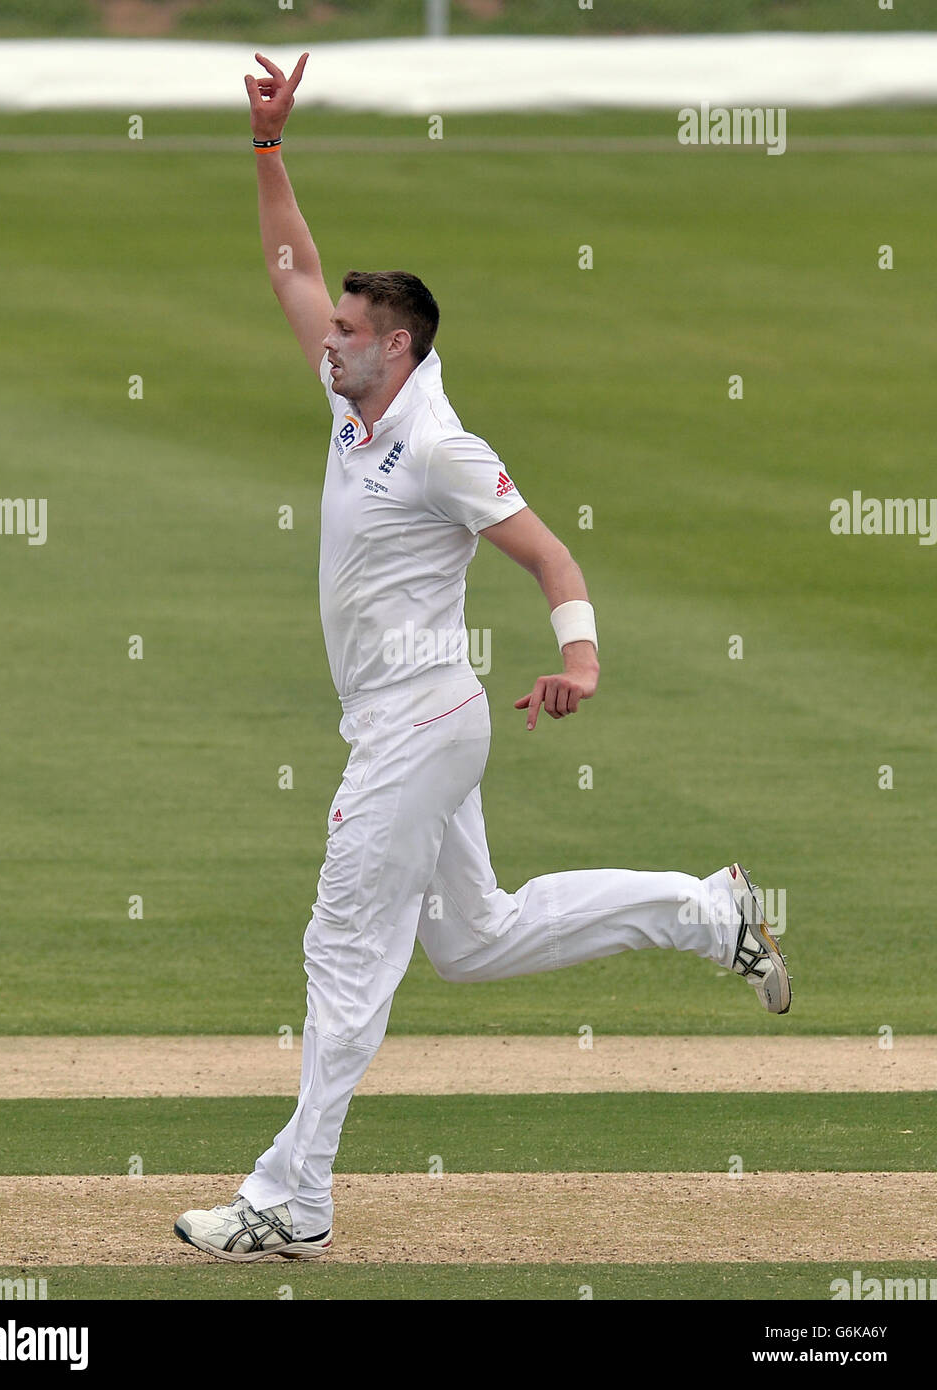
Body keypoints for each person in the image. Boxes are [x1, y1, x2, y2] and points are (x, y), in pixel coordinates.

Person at [175, 52, 791, 1264]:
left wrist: (582, 660)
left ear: (397, 346)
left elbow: (551, 556)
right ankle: (703, 909)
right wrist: (267, 147)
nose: (327, 338)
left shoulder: (441, 448)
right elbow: (289, 266)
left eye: (348, 332)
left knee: (344, 950)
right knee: (470, 938)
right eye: (334, 328)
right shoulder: (353, 406)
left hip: (417, 725)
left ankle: (293, 1198)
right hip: (413, 719)